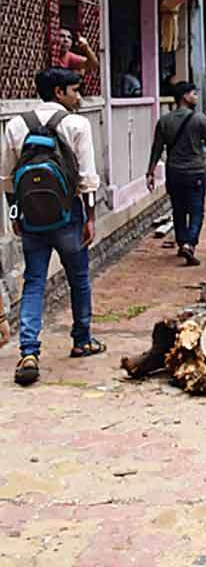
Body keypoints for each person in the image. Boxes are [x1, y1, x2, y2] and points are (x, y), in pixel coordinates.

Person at [0, 68, 102, 386]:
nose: (79, 96)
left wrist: (15, 215)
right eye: (74, 90)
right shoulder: (76, 124)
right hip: (68, 214)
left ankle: (29, 351)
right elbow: (86, 178)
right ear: (58, 92)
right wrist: (89, 217)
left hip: (31, 216)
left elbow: (7, 177)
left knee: (34, 282)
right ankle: (82, 339)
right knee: (79, 278)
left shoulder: (17, 124)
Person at [147, 82, 206, 266]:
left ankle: (182, 242)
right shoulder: (199, 119)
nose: (196, 97)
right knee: (196, 210)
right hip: (195, 171)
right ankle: (189, 243)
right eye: (193, 93)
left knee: (178, 210)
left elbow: (156, 149)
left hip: (174, 172)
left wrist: (150, 172)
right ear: (184, 97)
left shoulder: (164, 121)